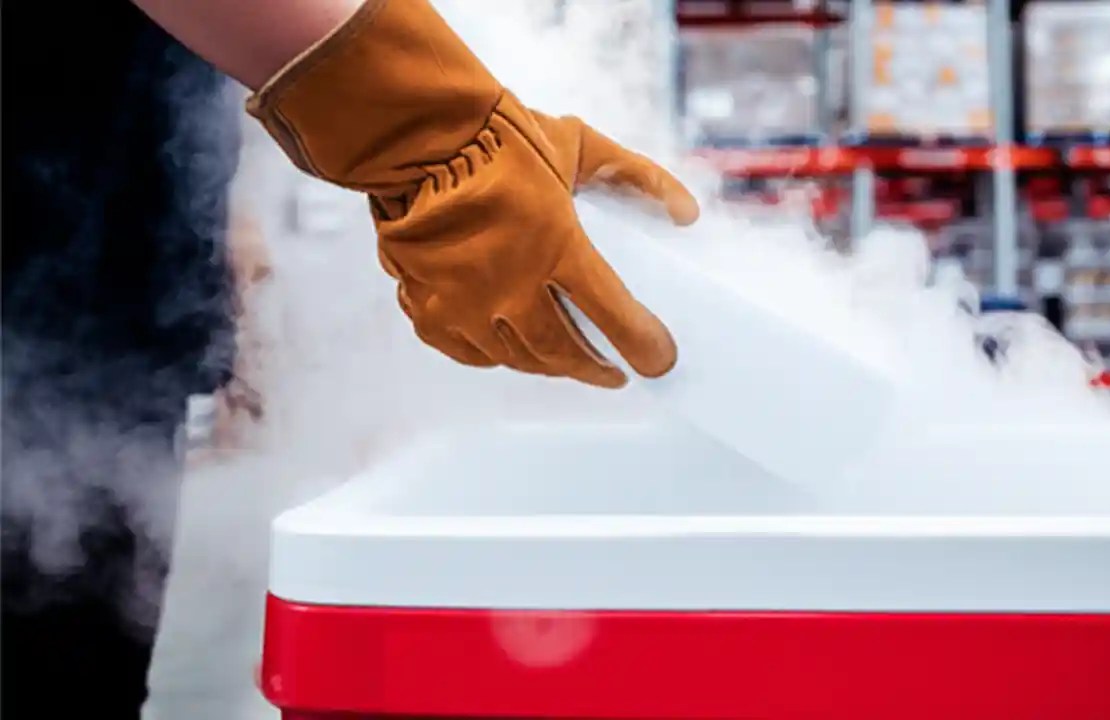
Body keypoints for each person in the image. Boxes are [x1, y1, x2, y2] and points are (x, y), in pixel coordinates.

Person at [1, 0, 698, 717]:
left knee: (78, 655)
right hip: (38, 294)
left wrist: (226, 224)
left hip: (109, 279)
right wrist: (434, 133)